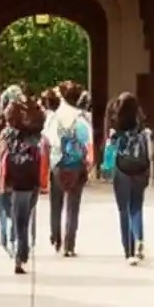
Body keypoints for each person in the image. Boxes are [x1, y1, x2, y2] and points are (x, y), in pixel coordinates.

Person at [0, 95, 49, 274]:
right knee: (25, 218)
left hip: (13, 182)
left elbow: (2, 158)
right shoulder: (39, 138)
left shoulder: (7, 134)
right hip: (31, 182)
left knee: (14, 218)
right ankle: (23, 249)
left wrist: (1, 182)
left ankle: (18, 252)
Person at [44, 81, 95, 257]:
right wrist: (89, 163)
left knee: (55, 203)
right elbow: (87, 143)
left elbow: (47, 141)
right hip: (76, 164)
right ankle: (69, 245)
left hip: (57, 163)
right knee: (73, 205)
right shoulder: (81, 119)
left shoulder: (54, 117)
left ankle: (55, 237)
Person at [107, 93, 152, 266]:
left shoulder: (116, 126)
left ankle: (129, 250)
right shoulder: (141, 126)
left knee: (123, 210)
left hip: (122, 170)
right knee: (136, 206)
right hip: (140, 170)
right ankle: (139, 237)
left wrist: (107, 169)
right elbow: (148, 151)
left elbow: (110, 150)